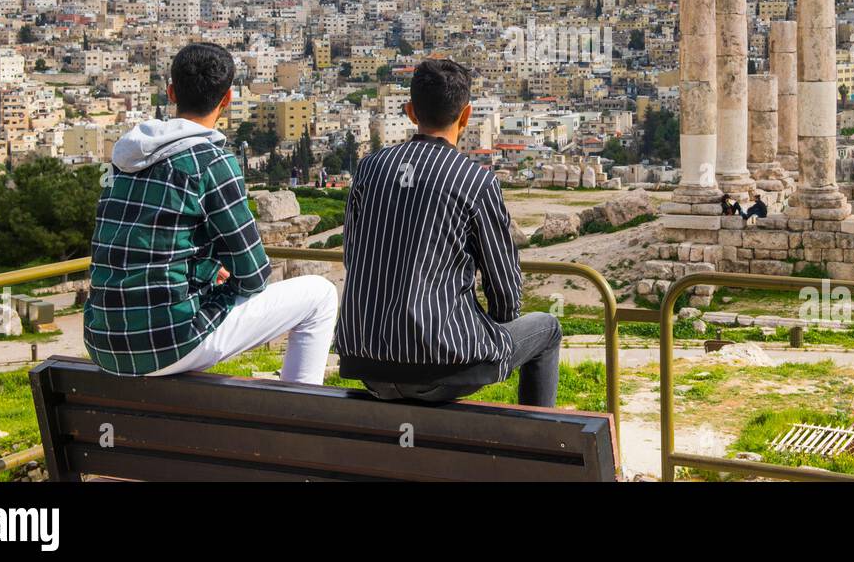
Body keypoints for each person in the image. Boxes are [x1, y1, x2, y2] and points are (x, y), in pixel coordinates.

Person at [83, 42, 338, 384]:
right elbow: (254, 274)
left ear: (171, 92)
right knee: (319, 296)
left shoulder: (122, 160)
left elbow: (144, 246)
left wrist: (205, 268)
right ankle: (300, 420)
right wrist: (217, 277)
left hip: (103, 340)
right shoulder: (211, 161)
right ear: (228, 99)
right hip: (171, 342)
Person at [335, 58, 562, 406]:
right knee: (548, 329)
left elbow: (353, 256)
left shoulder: (369, 168)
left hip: (365, 363)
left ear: (411, 112)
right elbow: (504, 284)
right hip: (441, 366)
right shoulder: (474, 180)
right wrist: (496, 327)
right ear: (466, 115)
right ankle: (538, 446)